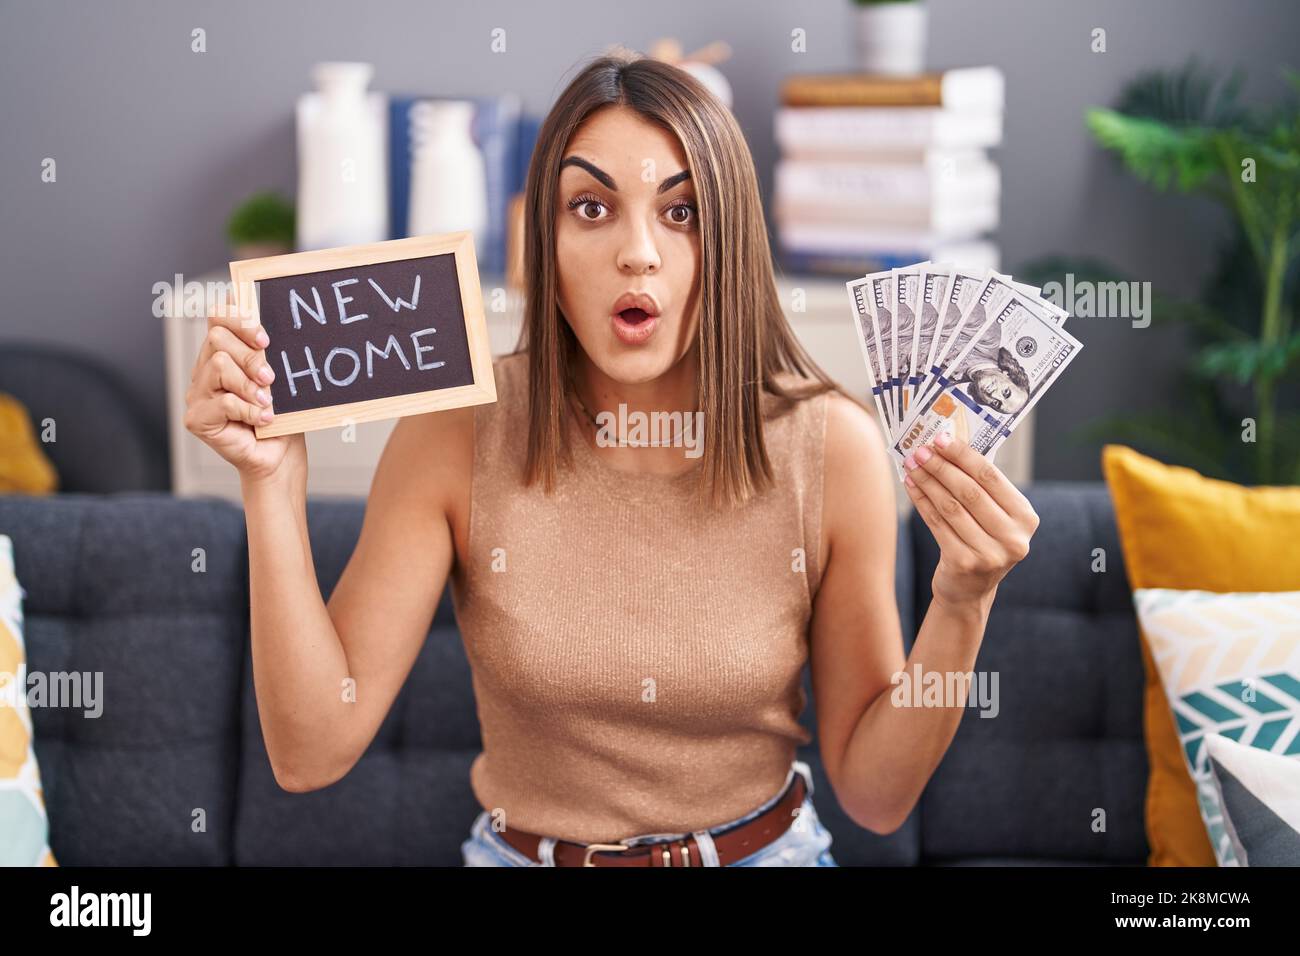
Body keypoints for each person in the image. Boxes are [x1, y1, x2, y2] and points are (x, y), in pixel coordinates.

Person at [183, 51, 1039, 867]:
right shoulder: (455, 433)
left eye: (681, 211)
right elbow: (309, 754)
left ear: (729, 245)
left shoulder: (830, 446)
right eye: (590, 208)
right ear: (545, 246)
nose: (638, 251)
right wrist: (269, 484)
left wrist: (962, 601)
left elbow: (877, 798)